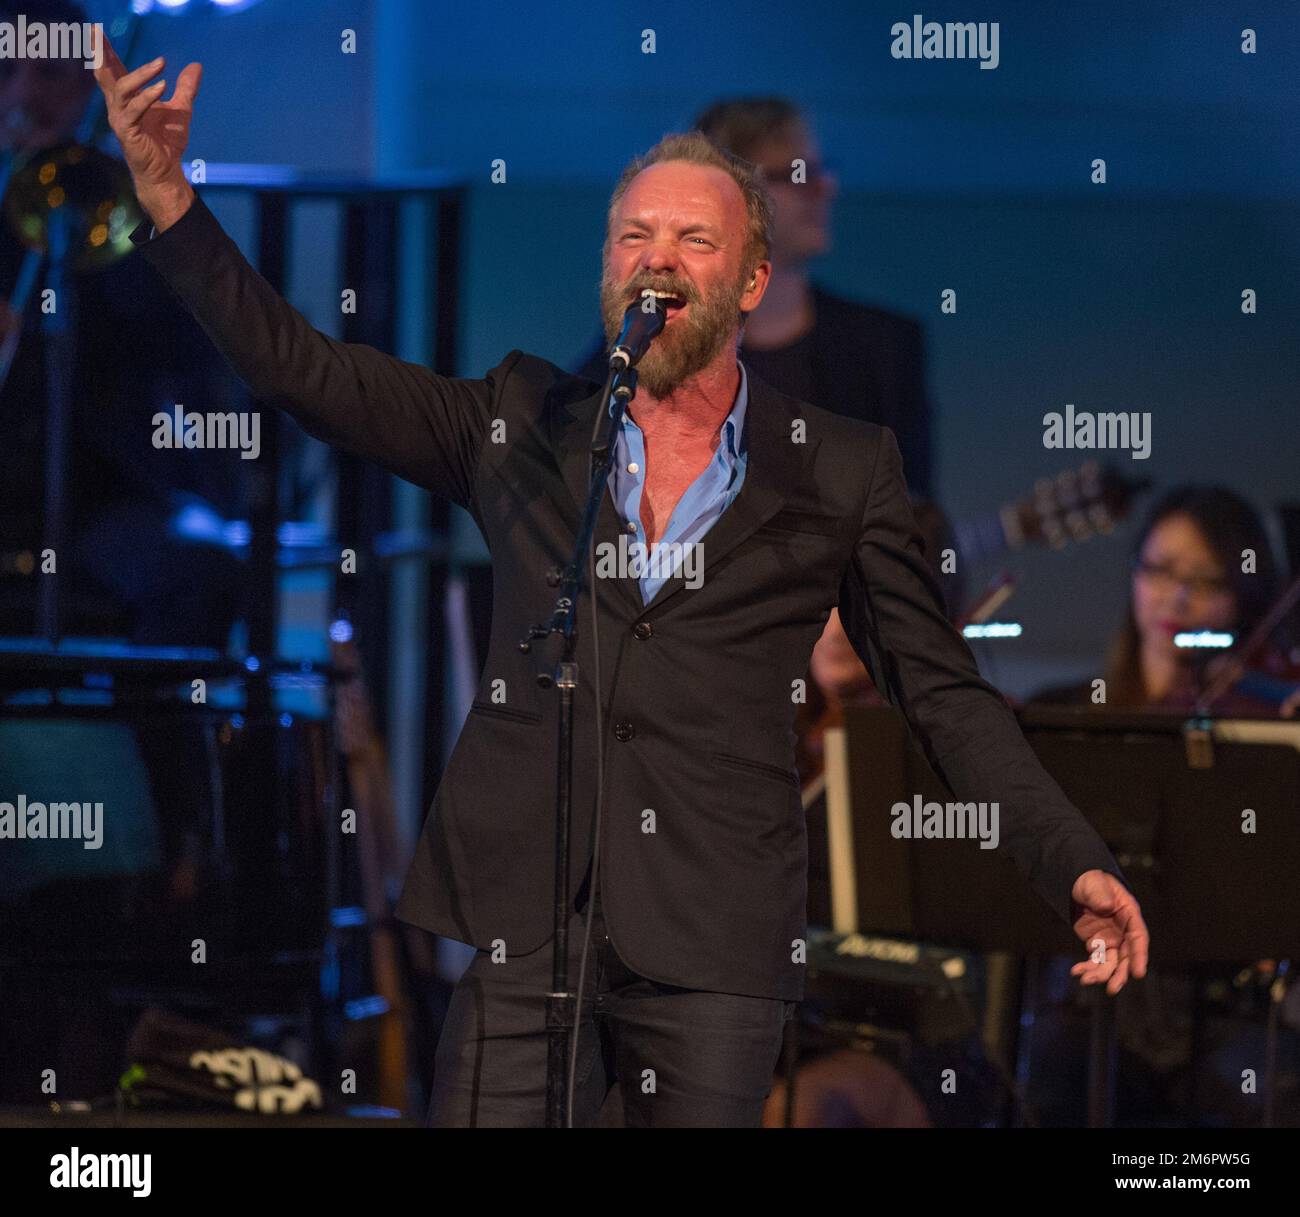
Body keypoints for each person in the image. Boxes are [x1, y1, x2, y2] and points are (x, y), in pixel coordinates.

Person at [94, 34, 1148, 1128]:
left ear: (747, 279)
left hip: (711, 941)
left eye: (694, 238)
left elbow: (940, 690)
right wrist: (174, 203)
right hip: (528, 919)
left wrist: (1068, 858)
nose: (658, 257)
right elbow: (305, 370)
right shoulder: (521, 423)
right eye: (634, 235)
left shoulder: (835, 466)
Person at [1031, 485, 1292, 715]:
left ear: (1245, 596)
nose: (1179, 598)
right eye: (1160, 569)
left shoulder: (1266, 714)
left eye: (1208, 581)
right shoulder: (1055, 710)